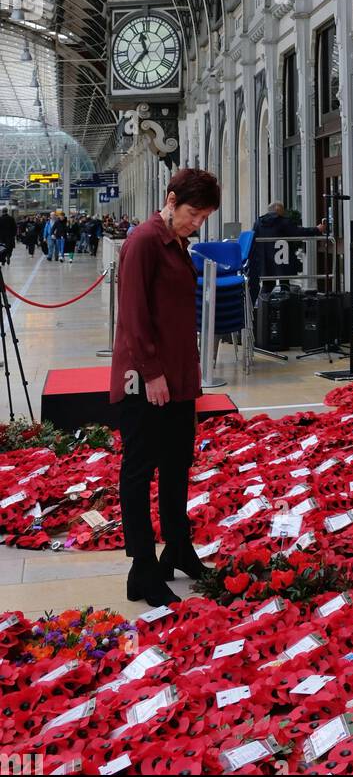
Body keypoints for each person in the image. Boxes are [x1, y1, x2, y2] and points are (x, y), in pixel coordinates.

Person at [110, 167, 221, 607]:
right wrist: (152, 372)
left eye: (204, 217)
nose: (197, 223)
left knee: (177, 463)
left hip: (177, 377)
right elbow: (133, 315)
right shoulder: (143, 242)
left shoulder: (177, 243)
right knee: (139, 470)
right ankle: (142, 567)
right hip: (145, 378)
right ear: (172, 200)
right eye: (194, 213)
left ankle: (177, 548)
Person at [247, 201, 327, 305]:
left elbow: (252, 240)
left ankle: (261, 308)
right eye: (283, 210)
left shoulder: (258, 222)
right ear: (278, 210)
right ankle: (285, 307)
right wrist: (317, 229)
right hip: (281, 259)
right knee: (284, 284)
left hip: (265, 260)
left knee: (267, 285)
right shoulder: (282, 222)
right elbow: (298, 232)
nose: (284, 213)